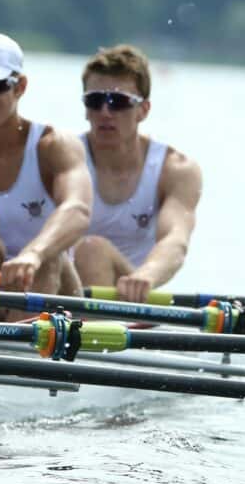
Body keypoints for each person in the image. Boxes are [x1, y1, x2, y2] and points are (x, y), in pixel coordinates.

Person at [0, 32, 92, 298]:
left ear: (20, 87)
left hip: (47, 284)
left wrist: (33, 254)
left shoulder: (53, 146)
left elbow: (78, 209)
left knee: (50, 258)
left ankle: (18, 335)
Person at [73, 45, 202, 302]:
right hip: (64, 287)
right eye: (95, 101)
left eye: (118, 102)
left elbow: (175, 239)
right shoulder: (62, 156)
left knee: (92, 250)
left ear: (144, 110)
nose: (105, 113)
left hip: (134, 295)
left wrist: (147, 275)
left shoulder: (174, 169)